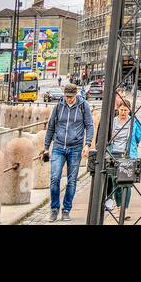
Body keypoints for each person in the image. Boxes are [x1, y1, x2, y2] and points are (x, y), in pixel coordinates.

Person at [42, 83, 94, 222]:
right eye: (67, 97)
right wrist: (46, 147)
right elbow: (51, 127)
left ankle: (66, 209)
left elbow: (89, 125)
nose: (69, 99)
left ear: (76, 94)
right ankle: (54, 209)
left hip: (76, 148)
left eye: (71, 97)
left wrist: (87, 144)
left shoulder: (83, 106)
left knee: (71, 181)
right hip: (58, 146)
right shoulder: (59, 106)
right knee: (54, 178)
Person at [105, 98, 141, 215]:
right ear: (118, 110)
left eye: (126, 110)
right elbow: (106, 136)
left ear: (129, 111)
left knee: (127, 182)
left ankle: (124, 209)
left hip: (128, 154)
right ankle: (119, 206)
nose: (124, 112)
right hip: (114, 153)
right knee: (116, 182)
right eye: (121, 109)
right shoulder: (113, 122)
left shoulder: (133, 122)